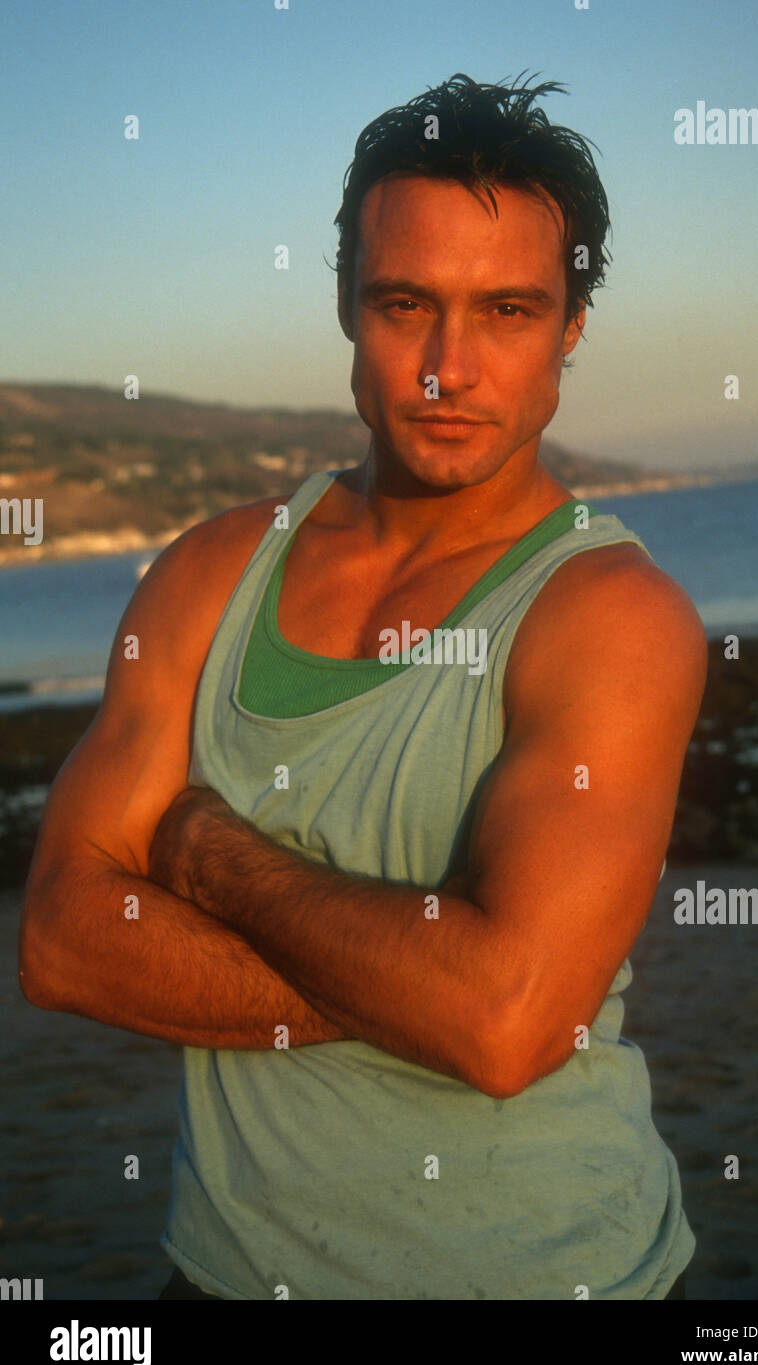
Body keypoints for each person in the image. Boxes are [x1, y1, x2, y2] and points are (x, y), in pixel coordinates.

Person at [19, 74, 707, 1300]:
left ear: (569, 327)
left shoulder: (611, 616)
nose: (451, 366)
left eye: (507, 309)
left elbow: (501, 1030)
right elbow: (66, 945)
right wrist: (431, 975)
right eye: (405, 305)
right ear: (345, 306)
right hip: (224, 1276)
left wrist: (207, 857)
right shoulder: (207, 576)